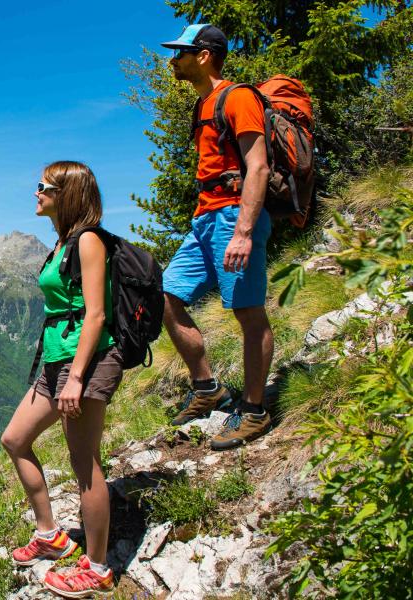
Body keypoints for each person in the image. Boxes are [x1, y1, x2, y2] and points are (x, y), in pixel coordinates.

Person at [0, 161, 120, 597]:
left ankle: (100, 567)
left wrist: (77, 380)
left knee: (84, 463)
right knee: (15, 439)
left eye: (43, 186)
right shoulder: (62, 242)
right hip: (55, 362)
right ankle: (50, 535)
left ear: (66, 193)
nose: (35, 192)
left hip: (82, 364)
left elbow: (96, 315)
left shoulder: (88, 241)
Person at [159, 24, 274, 450]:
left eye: (180, 53)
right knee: (166, 295)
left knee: (247, 312)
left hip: (233, 218)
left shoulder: (238, 97)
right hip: (206, 219)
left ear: (204, 55)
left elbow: (258, 167)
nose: (173, 61)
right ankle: (208, 387)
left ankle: (255, 410)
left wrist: (243, 231)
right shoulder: (203, 103)